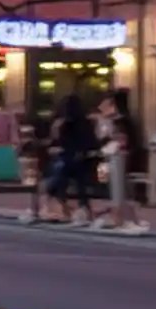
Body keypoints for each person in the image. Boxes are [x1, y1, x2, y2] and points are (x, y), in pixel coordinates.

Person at [45, 94, 96, 223]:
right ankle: (73, 205)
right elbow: (56, 143)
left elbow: (84, 144)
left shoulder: (79, 124)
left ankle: (58, 200)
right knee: (62, 169)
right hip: (74, 160)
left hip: (79, 161)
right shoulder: (71, 124)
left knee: (61, 169)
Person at [96, 88, 143, 229]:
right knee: (117, 188)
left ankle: (119, 218)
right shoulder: (115, 120)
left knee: (118, 188)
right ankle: (127, 218)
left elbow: (121, 141)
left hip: (118, 156)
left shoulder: (120, 121)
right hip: (112, 156)